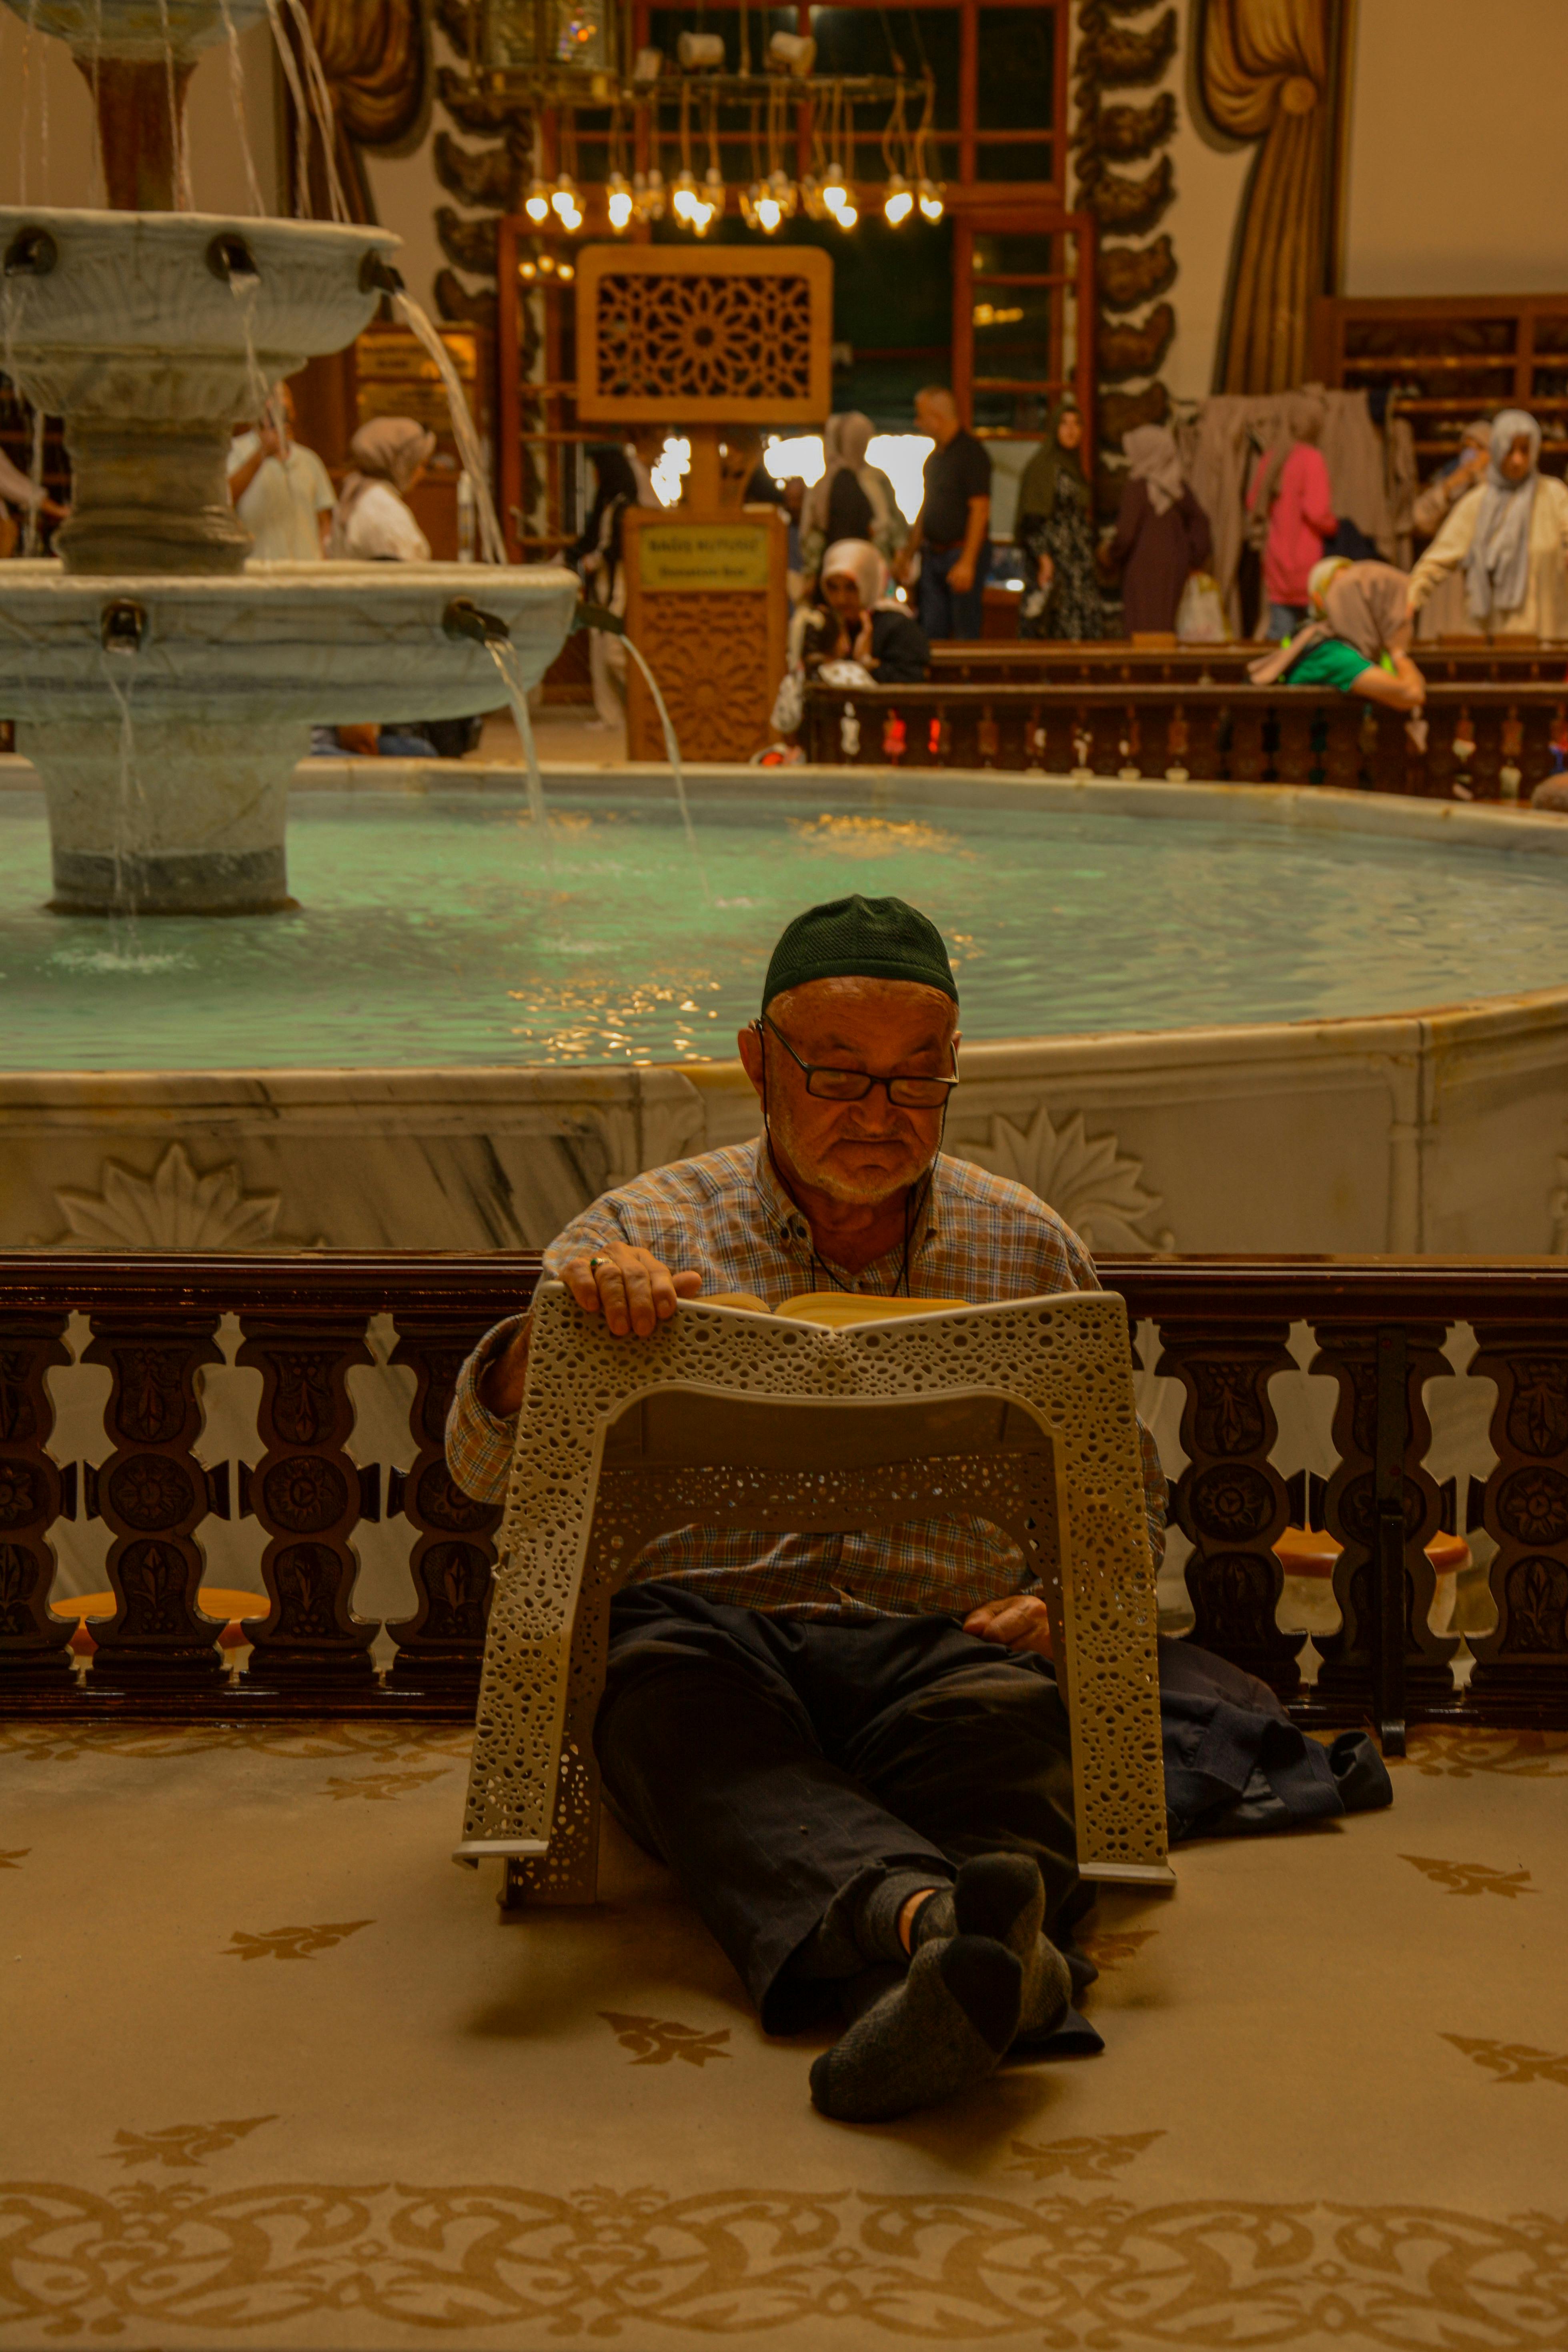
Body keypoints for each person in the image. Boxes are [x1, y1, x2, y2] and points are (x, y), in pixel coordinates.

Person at [446, 892, 1168, 2125]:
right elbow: (481, 1465)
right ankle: (966, 1938)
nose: (879, 1116)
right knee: (672, 1733)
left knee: (1019, 1755)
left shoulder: (1026, 1244)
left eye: (915, 1081)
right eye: (838, 1075)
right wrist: (551, 1339)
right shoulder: (642, 1231)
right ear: (754, 1062)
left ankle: (932, 1960)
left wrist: (1058, 1604)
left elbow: (1115, 1488)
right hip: (710, 1631)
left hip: (943, 1636)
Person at [1407, 409, 1568, 641]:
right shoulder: (1478, 503)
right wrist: (1410, 598)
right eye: (1510, 450)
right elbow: (1439, 557)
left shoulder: (1554, 495)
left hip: (1548, 632)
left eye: (1525, 450)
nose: (1517, 460)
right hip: (1493, 634)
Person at [1247, 558, 1425, 715]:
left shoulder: (1354, 643)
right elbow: (1411, 694)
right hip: (1310, 749)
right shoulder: (1331, 652)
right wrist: (1399, 652)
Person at [898, 389, 991, 642]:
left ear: (936, 418)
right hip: (934, 555)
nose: (918, 424)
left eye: (921, 418)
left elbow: (980, 510)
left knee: (964, 631)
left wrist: (968, 562)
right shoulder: (934, 460)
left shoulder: (972, 455)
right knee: (932, 631)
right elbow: (927, 508)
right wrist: (908, 554)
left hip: (960, 554)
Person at [1246, 390, 1337, 639]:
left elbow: (1254, 501)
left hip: (1276, 559)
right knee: (1312, 635)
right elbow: (1317, 513)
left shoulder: (1273, 457)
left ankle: (1275, 676)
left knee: (1280, 632)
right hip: (1307, 562)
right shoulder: (1312, 460)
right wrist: (1336, 527)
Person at [1107, 425, 1212, 636]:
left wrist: (1109, 555)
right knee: (1167, 633)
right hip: (1175, 571)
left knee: (1143, 641)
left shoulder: (1137, 487)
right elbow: (1201, 525)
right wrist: (1190, 556)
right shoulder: (1178, 486)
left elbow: (1125, 535)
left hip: (1143, 573)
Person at [1015, 398, 1104, 642]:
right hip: (1054, 563)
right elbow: (1032, 519)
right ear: (1054, 427)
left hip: (1077, 565)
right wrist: (1044, 561)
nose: (1071, 430)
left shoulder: (1075, 467)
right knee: (1054, 627)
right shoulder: (1043, 466)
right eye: (1064, 423)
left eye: (1077, 423)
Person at [226, 381, 334, 560]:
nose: (277, 417)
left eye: (283, 410)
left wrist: (323, 560)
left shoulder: (310, 461)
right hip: (257, 573)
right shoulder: (234, 452)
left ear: (293, 412)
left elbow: (324, 521)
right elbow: (225, 498)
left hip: (307, 574)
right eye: (270, 411)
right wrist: (262, 454)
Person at [801, 540, 929, 687]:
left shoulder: (899, 627)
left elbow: (912, 685)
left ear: (868, 583)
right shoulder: (825, 625)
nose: (841, 599)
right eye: (833, 588)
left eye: (851, 588)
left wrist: (866, 666)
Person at [801, 413, 908, 586]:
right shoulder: (826, 484)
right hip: (834, 569)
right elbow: (815, 531)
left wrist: (899, 555)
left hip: (875, 567)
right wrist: (812, 571)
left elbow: (893, 523)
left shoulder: (876, 479)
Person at [1408, 419, 1492, 639]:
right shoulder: (1450, 481)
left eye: (1480, 448)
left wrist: (1481, 480)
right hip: (1449, 582)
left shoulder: (1500, 488)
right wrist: (1450, 486)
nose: (1472, 455)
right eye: (1467, 448)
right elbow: (1419, 518)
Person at [328, 416, 435, 562]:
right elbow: (402, 577)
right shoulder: (382, 506)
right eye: (420, 464)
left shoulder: (357, 493)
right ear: (401, 465)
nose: (422, 473)